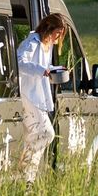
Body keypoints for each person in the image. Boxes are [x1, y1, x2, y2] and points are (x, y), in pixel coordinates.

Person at [16, 13, 67, 182]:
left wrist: (56, 68)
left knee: (37, 134)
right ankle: (25, 169)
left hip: (38, 95)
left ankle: (27, 177)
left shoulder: (47, 44)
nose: (58, 37)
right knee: (46, 133)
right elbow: (19, 62)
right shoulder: (33, 41)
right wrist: (40, 70)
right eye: (57, 32)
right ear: (48, 28)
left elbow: (45, 66)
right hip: (28, 94)